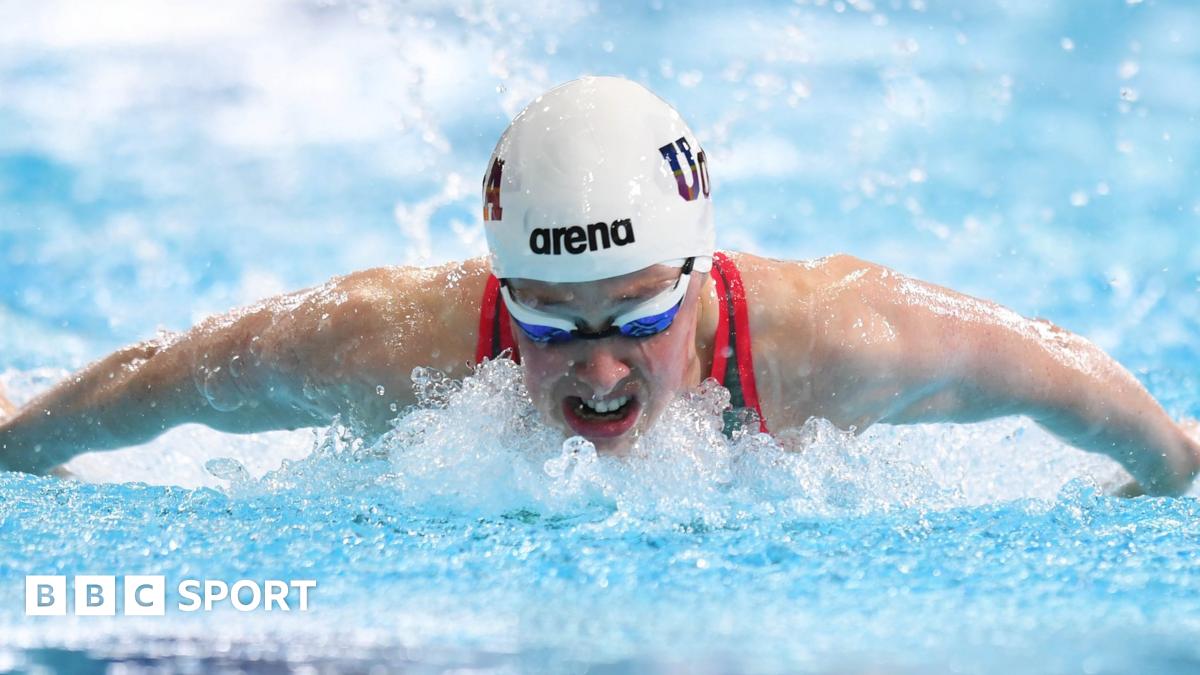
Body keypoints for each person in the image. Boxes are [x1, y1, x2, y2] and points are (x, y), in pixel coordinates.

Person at [1, 76, 1197, 495]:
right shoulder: (386, 342)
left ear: (694, 275)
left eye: (638, 315)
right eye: (548, 319)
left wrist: (1171, 465)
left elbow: (1055, 371)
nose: (599, 364)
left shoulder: (836, 343)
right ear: (500, 286)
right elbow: (180, 379)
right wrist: (21, 439)